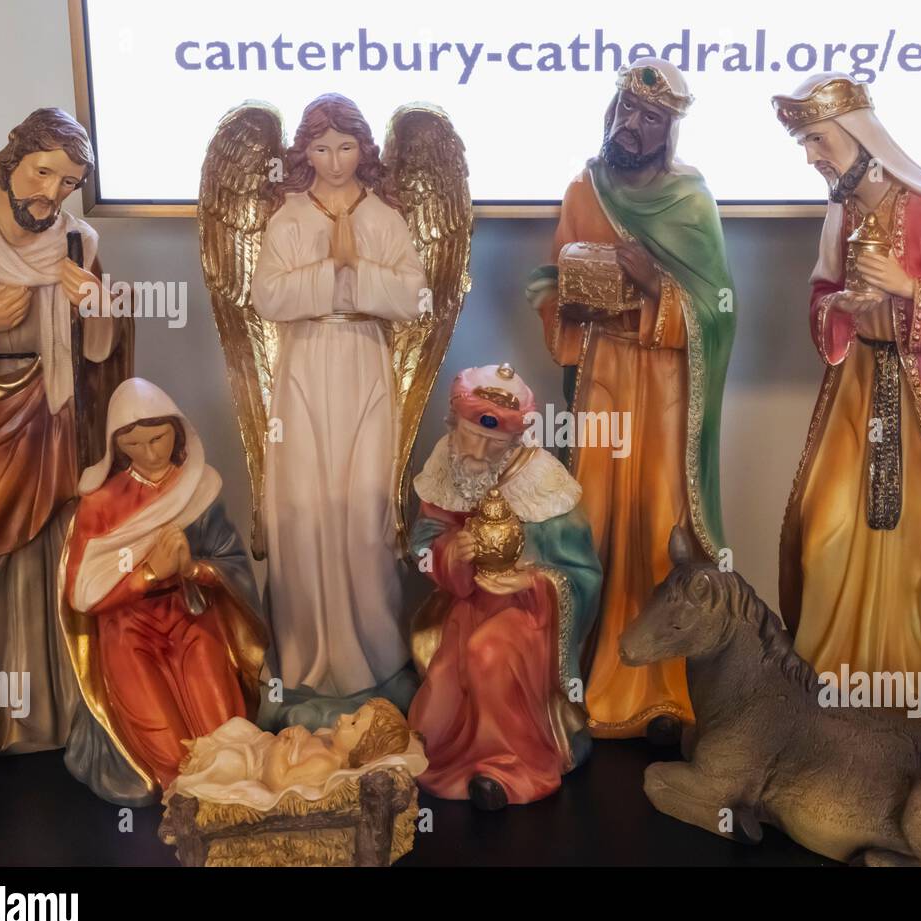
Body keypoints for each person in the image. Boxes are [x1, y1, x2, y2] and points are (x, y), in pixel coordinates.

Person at [771, 73, 921, 716]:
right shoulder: (843, 214)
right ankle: (831, 687)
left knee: (919, 542)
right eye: (804, 144)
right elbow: (823, 299)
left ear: (856, 136)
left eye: (817, 141)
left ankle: (909, 694)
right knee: (826, 523)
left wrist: (909, 289)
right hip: (854, 393)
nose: (812, 157)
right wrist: (841, 308)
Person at [526, 58, 735, 745]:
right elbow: (551, 278)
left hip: (665, 387)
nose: (631, 127)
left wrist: (654, 287)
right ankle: (581, 675)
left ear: (668, 131)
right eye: (624, 112)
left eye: (649, 119)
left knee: (657, 527)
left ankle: (661, 688)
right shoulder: (584, 188)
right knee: (591, 520)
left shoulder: (690, 202)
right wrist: (566, 300)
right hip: (602, 380)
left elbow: (720, 310)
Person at [0, 107, 131, 751]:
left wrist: (97, 311)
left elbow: (104, 348)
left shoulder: (77, 244)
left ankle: (51, 705)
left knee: (52, 544)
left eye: (67, 183)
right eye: (42, 172)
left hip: (52, 410)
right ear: (11, 162)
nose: (50, 194)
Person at [250, 93, 427, 701]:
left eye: (345, 146)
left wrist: (359, 269)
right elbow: (267, 299)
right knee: (304, 502)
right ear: (304, 151)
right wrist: (336, 272)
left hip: (365, 365)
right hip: (304, 365)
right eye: (321, 147)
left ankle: (376, 653)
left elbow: (413, 298)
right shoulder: (289, 217)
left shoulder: (385, 217)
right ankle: (305, 653)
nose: (333, 160)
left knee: (364, 508)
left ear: (364, 149)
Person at [60, 378, 266, 801]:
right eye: (134, 444)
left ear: (178, 430)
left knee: (228, 740)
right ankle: (187, 810)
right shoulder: (100, 504)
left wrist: (193, 568)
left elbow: (232, 564)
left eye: (158, 438)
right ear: (117, 446)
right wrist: (148, 575)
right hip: (129, 631)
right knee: (172, 759)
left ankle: (238, 811)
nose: (150, 453)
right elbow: (83, 594)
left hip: (190, 617)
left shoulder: (200, 487)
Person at [406, 364, 601, 810]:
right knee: (438, 703)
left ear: (515, 440)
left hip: (528, 618)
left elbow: (584, 574)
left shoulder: (543, 483)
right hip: (467, 605)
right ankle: (455, 755)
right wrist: (450, 554)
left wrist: (535, 582)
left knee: (487, 654)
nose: (474, 451)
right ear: (452, 424)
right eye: (467, 434)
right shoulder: (447, 463)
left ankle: (506, 767)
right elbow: (421, 546)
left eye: (491, 442)